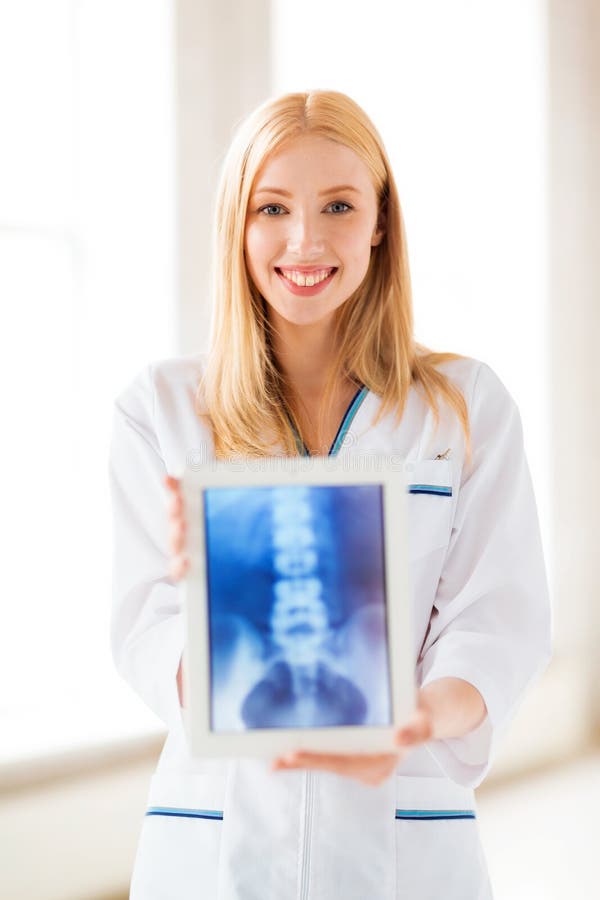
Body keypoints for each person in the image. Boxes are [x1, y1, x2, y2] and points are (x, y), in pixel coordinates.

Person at [108, 89, 552, 899]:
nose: (304, 240)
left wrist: (419, 717)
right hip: (218, 831)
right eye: (271, 207)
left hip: (405, 832)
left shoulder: (462, 406)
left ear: (381, 221)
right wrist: (216, 607)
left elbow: (497, 619)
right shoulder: (163, 410)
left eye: (339, 205)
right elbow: (145, 626)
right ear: (236, 225)